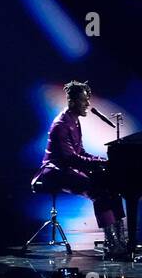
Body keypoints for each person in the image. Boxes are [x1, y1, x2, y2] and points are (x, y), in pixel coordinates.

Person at [32, 81, 129, 259]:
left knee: (112, 189)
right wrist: (99, 164)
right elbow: (70, 158)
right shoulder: (61, 124)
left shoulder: (74, 121)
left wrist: (102, 161)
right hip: (55, 171)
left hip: (68, 169)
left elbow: (80, 152)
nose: (87, 104)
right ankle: (112, 243)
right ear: (73, 101)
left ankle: (121, 240)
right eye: (84, 100)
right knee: (98, 192)